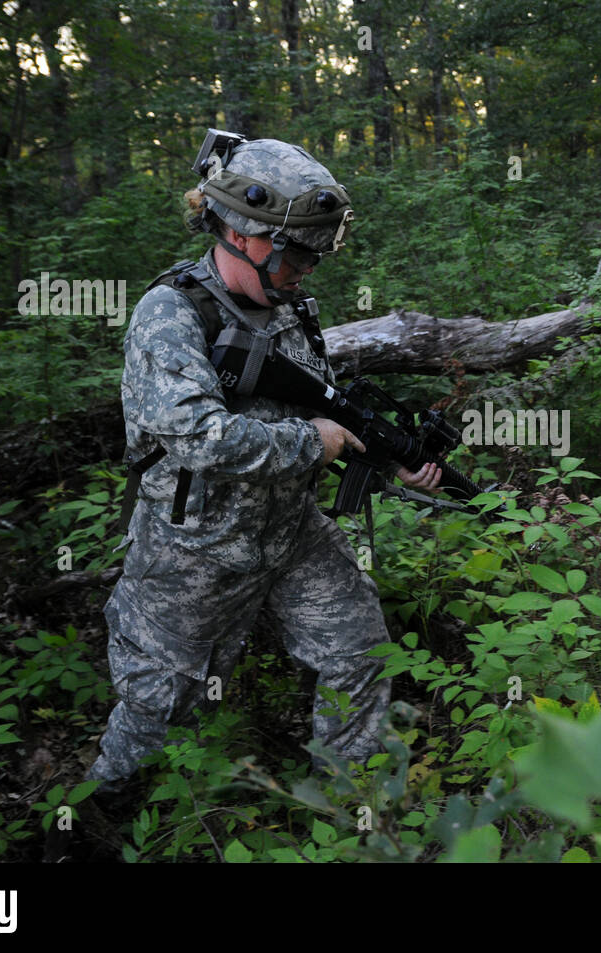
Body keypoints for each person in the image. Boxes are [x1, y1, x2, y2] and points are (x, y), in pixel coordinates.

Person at [84, 132, 441, 799]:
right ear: (243, 234)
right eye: (298, 252)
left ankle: (350, 804)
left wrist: (388, 458)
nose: (307, 268)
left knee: (358, 652)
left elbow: (320, 404)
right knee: (155, 712)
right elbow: (200, 437)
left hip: (289, 528)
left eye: (316, 253)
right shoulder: (169, 314)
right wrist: (315, 442)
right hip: (193, 549)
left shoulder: (291, 308)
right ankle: (91, 828)